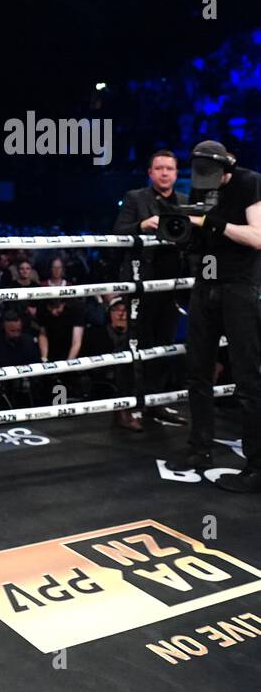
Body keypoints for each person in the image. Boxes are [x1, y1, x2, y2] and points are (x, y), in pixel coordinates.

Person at [173, 141, 261, 492]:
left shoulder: (250, 181)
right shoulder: (200, 185)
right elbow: (200, 235)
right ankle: (200, 449)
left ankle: (256, 465)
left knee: (247, 376)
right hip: (204, 285)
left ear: (228, 166)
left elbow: (257, 238)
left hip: (240, 286)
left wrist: (213, 222)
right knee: (197, 370)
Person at [113, 149, 187, 425]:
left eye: (170, 168)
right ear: (150, 173)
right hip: (140, 283)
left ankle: (155, 401)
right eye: (159, 168)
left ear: (176, 174)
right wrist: (142, 225)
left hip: (170, 285)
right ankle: (125, 405)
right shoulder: (136, 198)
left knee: (163, 345)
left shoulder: (183, 202)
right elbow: (117, 233)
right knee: (134, 343)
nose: (165, 173)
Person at [81, 297, 142, 431]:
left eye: (125, 310)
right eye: (117, 310)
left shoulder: (137, 335)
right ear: (109, 313)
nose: (121, 314)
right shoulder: (97, 334)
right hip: (106, 380)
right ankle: (123, 414)